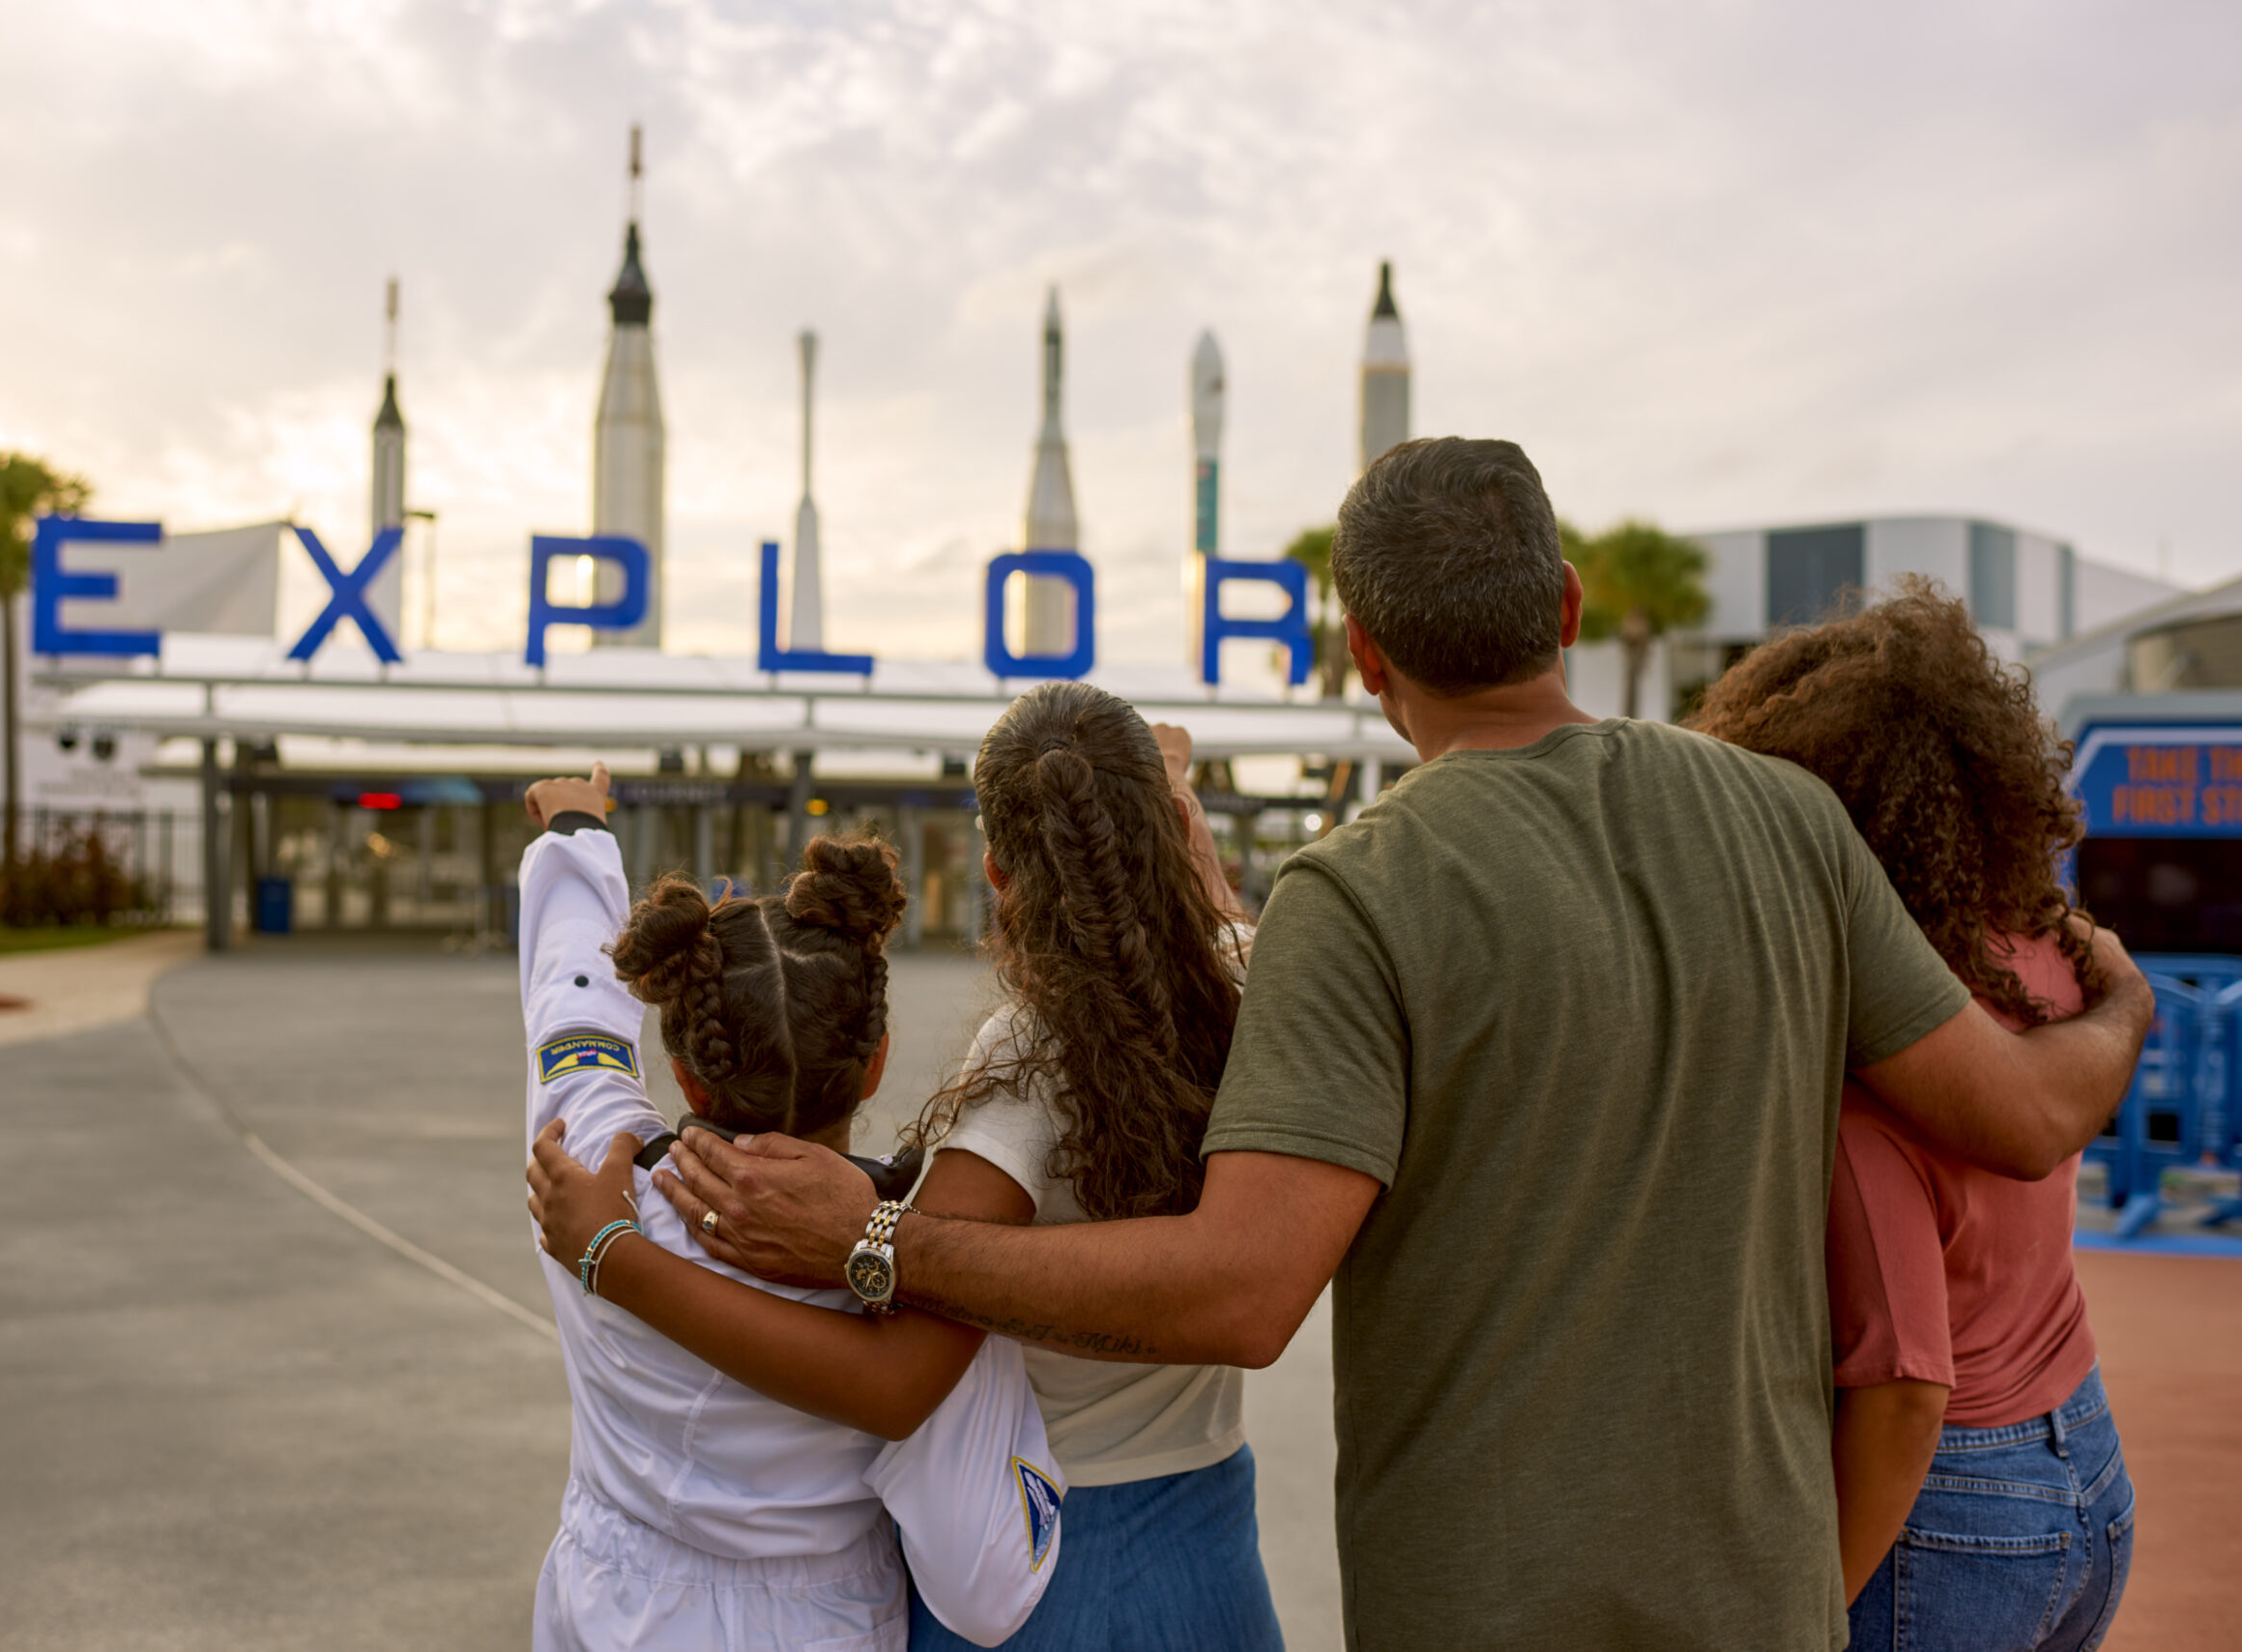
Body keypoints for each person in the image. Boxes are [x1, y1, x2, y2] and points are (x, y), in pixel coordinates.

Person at [539, 436, 2159, 1652]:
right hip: (1760, 1579)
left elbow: (1243, 1289)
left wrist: (885, 1236)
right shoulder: (1791, 820)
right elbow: (2020, 1117)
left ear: (1363, 655)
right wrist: (2123, 1013)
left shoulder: (1362, 891)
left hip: (1486, 1596)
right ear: (1574, 607)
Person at [530, 685, 1284, 1650]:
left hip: (1042, 1548)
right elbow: (1213, 918)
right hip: (1206, 1529)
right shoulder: (1252, 979)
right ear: (1173, 827)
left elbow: (898, 1380)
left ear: (996, 872)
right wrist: (1165, 792)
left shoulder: (1028, 1058)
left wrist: (614, 1255)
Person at [512, 768, 1063, 1652]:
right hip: (817, 1626)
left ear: (686, 1070)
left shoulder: (585, 1175)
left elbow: (570, 1003)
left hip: (601, 1604)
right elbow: (984, 1585)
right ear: (877, 1061)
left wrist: (578, 830)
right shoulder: (908, 1273)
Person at [1689, 579, 2137, 1651]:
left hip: (1952, 1516)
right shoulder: (2040, 955)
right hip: (2086, 1459)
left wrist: (1800, 1619)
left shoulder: (1863, 1083)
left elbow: (1903, 1388)